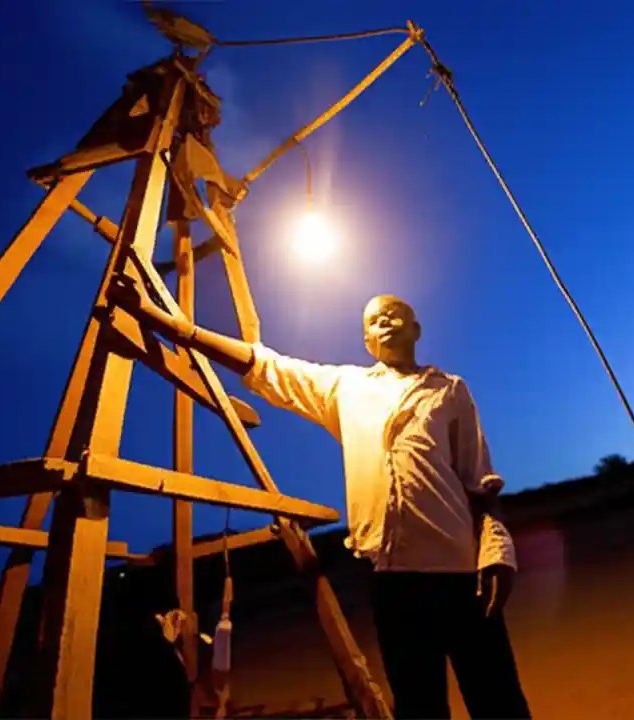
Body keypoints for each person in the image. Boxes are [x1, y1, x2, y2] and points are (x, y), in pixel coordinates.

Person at [106, 274, 531, 719]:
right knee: (419, 706)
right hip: (394, 581)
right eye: (373, 319)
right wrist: (161, 321)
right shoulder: (346, 388)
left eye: (395, 314)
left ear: (415, 328)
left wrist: (497, 553)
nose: (385, 320)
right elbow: (264, 366)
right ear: (366, 338)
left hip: (462, 572)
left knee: (497, 698)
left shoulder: (449, 390)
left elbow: (479, 482)